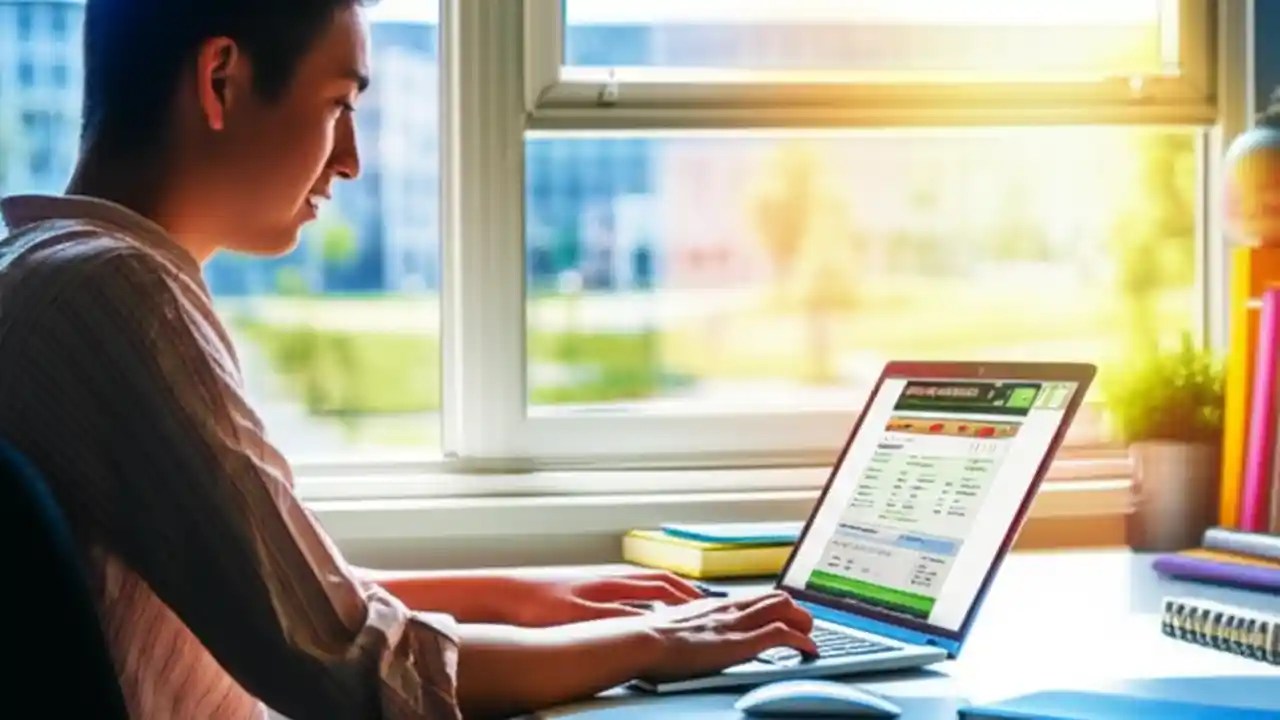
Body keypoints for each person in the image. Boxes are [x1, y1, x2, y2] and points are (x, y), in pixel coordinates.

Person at [0, 1, 817, 718]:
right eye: (337, 104)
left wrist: (523, 596)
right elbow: (353, 673)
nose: (349, 157)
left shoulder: (49, 272)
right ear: (221, 80)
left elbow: (288, 599)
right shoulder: (119, 296)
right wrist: (649, 648)